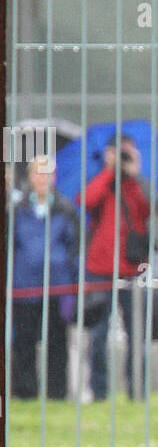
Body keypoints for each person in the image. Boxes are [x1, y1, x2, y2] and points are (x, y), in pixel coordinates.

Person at [76, 133, 150, 402]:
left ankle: (137, 391)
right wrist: (109, 171)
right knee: (99, 333)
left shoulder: (135, 185)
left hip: (132, 269)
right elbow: (84, 201)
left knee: (137, 334)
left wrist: (134, 174)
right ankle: (99, 391)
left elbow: (146, 210)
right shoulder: (101, 181)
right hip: (100, 268)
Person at [12, 155, 79, 399]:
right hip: (24, 287)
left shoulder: (65, 208)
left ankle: (56, 393)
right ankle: (25, 392)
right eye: (39, 173)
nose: (43, 179)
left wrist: (71, 283)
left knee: (57, 343)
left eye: (48, 173)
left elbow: (74, 247)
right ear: (30, 176)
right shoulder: (18, 210)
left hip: (56, 287)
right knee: (25, 342)